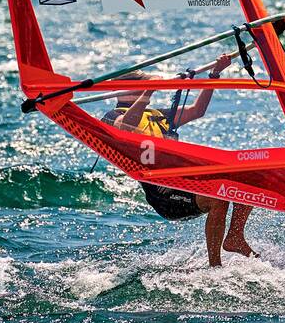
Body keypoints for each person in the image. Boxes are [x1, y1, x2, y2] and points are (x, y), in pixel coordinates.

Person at [102, 55, 256, 267]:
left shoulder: (158, 115)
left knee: (243, 176)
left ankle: (235, 237)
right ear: (124, 91)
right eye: (140, 87)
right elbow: (126, 125)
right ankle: (215, 267)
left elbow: (196, 110)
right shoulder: (112, 116)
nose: (144, 90)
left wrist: (215, 74)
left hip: (185, 182)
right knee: (219, 198)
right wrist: (149, 90)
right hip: (164, 195)